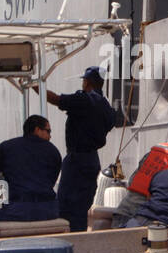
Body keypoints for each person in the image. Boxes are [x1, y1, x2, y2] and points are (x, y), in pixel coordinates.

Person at [46, 66, 117, 232]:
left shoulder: (85, 100)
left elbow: (58, 100)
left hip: (76, 160)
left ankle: (69, 241)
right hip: (92, 160)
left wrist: (35, 87)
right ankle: (79, 237)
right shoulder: (106, 106)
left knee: (66, 206)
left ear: (87, 82)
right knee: (82, 205)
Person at [0, 115, 63, 223]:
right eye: (48, 131)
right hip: (49, 210)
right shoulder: (54, 151)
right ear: (37, 130)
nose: (50, 136)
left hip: (17, 211)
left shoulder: (7, 147)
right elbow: (51, 180)